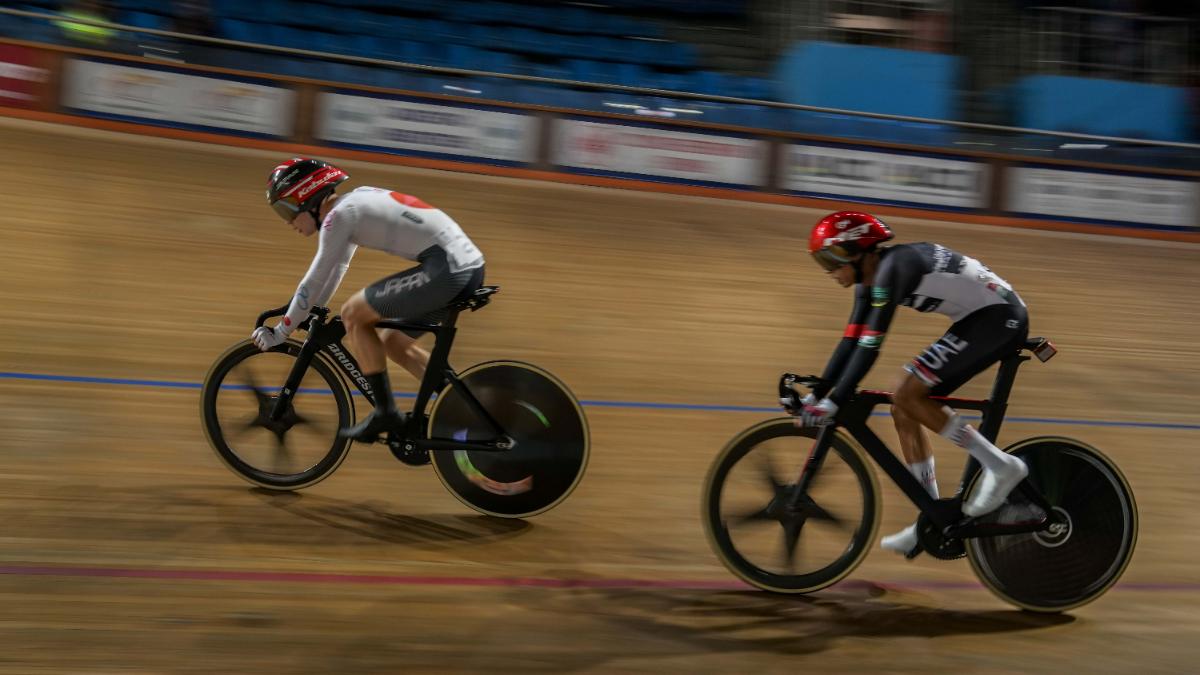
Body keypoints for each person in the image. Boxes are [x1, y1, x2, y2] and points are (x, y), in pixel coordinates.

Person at [792, 211, 1030, 557]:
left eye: (833, 259)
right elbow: (849, 343)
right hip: (977, 319)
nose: (829, 271)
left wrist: (836, 399)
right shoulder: (871, 280)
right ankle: (931, 517)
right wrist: (818, 394)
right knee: (902, 406)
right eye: (821, 262)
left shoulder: (893, 269)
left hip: (999, 317)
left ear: (861, 251)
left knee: (908, 392)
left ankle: (1000, 465)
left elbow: (870, 346)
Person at [254, 157, 485, 443]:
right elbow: (335, 269)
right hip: (465, 266)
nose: (287, 221)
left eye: (285, 209)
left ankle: (386, 412)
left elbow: (313, 280)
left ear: (306, 196)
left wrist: (282, 331)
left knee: (353, 314)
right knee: (392, 342)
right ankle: (468, 407)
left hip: (448, 269)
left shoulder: (338, 216)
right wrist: (311, 309)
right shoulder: (352, 203)